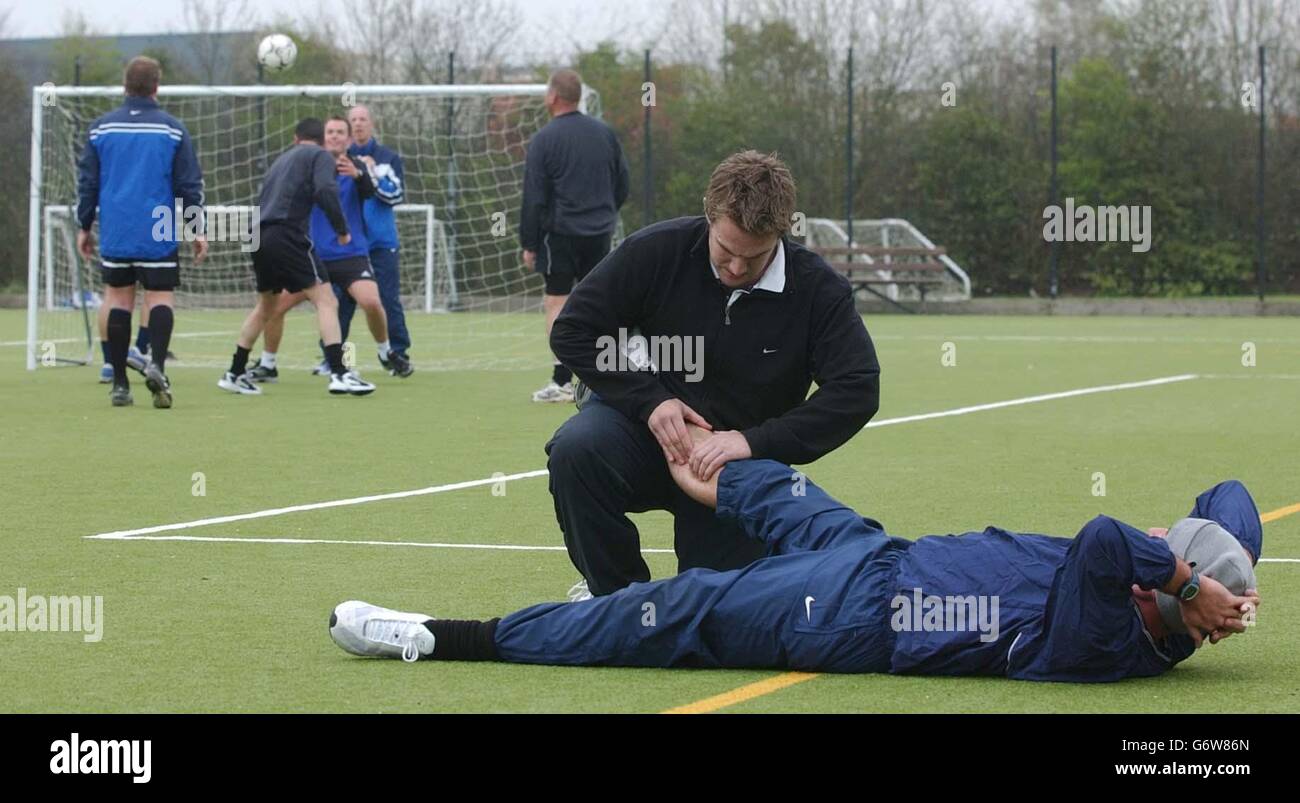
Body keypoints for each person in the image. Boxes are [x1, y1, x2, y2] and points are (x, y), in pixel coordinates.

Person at [329, 439, 1263, 681]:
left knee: (678, 611)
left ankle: (445, 638)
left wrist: (1184, 578)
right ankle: (656, 445)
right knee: (763, 480)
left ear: (1161, 590)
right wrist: (1212, 570)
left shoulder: (1112, 634)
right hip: (883, 553)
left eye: (1171, 563)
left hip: (854, 617)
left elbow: (1106, 536)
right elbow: (1228, 496)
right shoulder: (1166, 588)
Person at [545, 150, 880, 599]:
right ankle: (614, 598)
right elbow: (573, 331)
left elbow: (856, 389)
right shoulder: (655, 251)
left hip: (736, 470)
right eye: (726, 250)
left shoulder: (819, 290)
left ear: (782, 232)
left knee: (721, 607)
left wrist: (752, 442)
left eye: (756, 256)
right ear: (709, 213)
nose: (737, 268)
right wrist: (650, 401)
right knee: (578, 449)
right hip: (646, 437)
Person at [77, 55, 205, 407]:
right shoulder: (172, 129)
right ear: (156, 87)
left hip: (117, 228)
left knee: (118, 299)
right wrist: (196, 228)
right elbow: (188, 185)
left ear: (125, 86)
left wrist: (84, 225)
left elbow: (87, 183)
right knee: (159, 298)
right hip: (159, 227)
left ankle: (119, 383)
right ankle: (158, 367)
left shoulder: (101, 129)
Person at [216, 117, 374, 397]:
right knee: (326, 300)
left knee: (266, 306)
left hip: (256, 234)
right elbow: (325, 189)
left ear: (294, 138)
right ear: (322, 141)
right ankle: (339, 373)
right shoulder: (319, 156)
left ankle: (235, 372)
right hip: (287, 233)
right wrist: (342, 229)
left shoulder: (281, 161)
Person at [246, 116, 409, 383]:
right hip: (311, 253)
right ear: (322, 137)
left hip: (350, 254)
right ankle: (268, 363)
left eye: (340, 132)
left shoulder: (358, 167)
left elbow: (372, 194)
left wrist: (359, 176)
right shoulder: (308, 164)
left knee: (371, 302)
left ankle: (385, 352)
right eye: (329, 132)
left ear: (348, 139)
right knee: (275, 307)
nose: (334, 136)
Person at [520, 69, 629, 403]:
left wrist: (529, 242)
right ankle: (605, 378)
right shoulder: (605, 134)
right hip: (599, 232)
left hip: (559, 234)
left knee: (558, 302)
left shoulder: (544, 139)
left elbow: (534, 196)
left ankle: (561, 380)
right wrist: (605, 213)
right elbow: (622, 183)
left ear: (552, 97)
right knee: (599, 303)